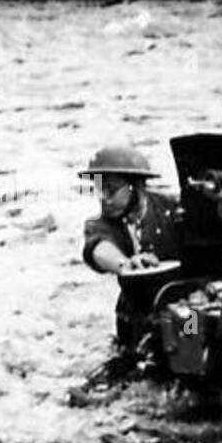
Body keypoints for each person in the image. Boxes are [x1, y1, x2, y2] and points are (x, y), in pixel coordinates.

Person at [79, 144, 182, 346]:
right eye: (98, 190)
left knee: (191, 340)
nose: (103, 198)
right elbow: (98, 248)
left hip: (185, 310)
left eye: (111, 190)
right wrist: (125, 264)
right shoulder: (100, 224)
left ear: (136, 187)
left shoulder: (174, 208)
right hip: (137, 321)